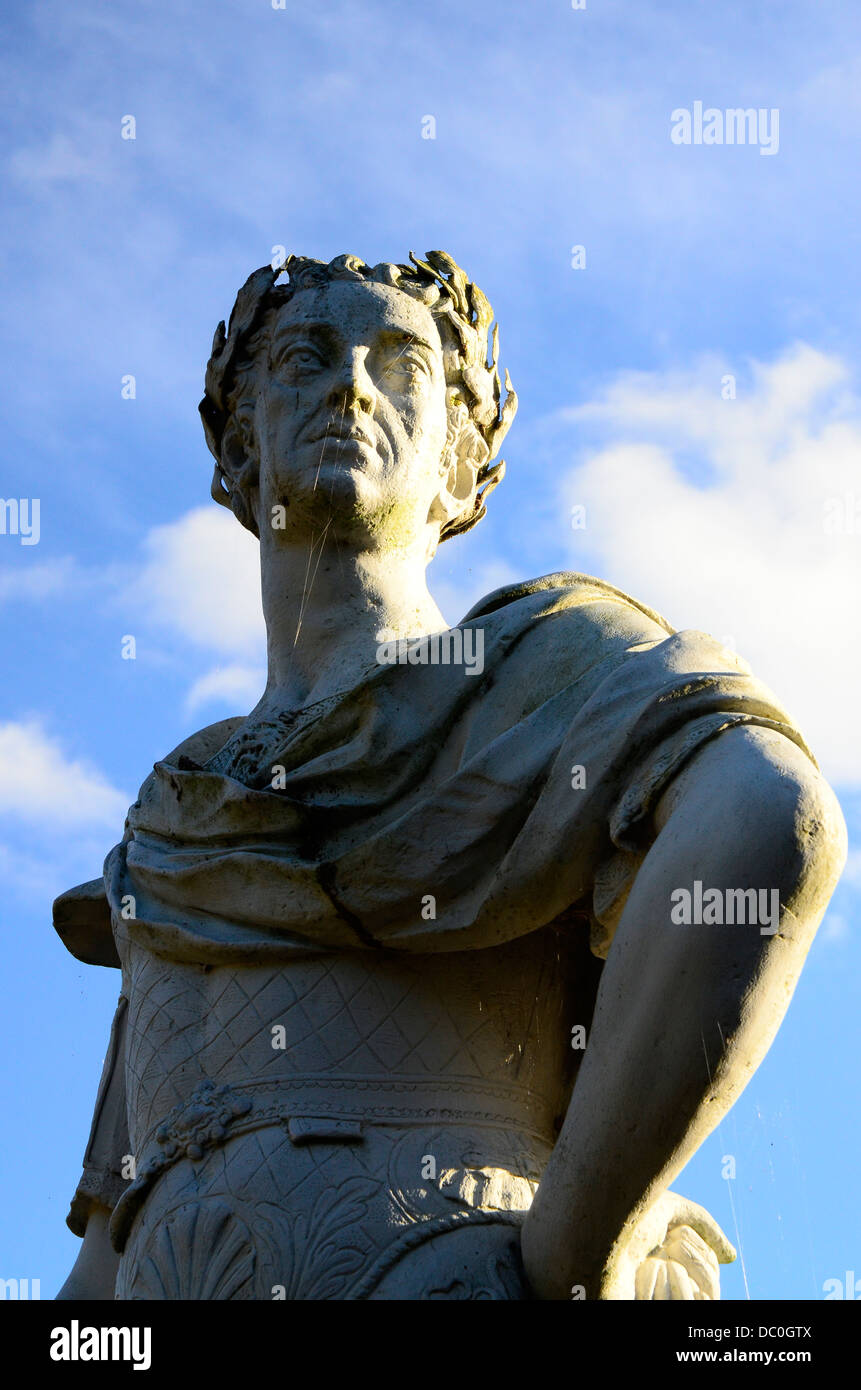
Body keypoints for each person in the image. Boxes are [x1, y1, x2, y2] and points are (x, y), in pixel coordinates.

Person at [55, 251, 846, 1300]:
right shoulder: (169, 828)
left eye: (399, 365)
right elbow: (109, 1256)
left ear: (462, 459)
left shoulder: (542, 674)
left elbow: (771, 818)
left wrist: (581, 1246)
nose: (349, 384)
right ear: (237, 440)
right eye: (306, 357)